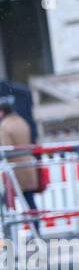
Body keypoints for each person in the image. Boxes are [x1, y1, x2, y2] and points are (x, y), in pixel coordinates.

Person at [0, 82, 39, 213]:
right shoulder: (22, 121)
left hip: (14, 169)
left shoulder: (5, 126)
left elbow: (5, 148)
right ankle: (36, 227)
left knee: (6, 203)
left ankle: (10, 229)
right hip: (27, 164)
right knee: (30, 202)